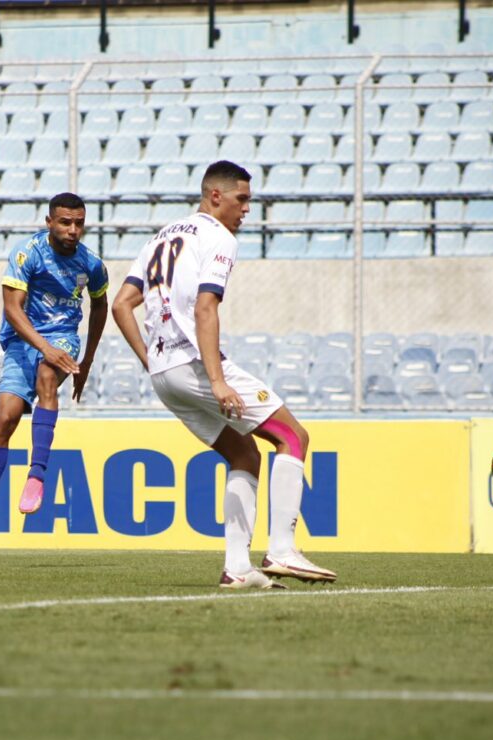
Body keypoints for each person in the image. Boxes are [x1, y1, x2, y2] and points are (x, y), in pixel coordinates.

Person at [110, 160, 337, 589]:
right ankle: (283, 549)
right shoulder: (218, 237)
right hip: (195, 367)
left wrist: (149, 359)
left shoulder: (161, 237)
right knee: (293, 437)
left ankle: (237, 568)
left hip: (164, 375)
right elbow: (205, 307)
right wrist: (217, 380)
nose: (246, 209)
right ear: (216, 196)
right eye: (242, 199)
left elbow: (122, 304)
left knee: (244, 455)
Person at [0, 192, 109, 552]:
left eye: (79, 223)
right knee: (5, 417)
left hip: (63, 337)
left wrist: (86, 360)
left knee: (48, 376)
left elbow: (101, 306)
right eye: (65, 222)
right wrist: (42, 346)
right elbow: (13, 308)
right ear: (49, 222)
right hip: (21, 340)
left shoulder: (91, 264)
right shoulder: (27, 253)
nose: (73, 230)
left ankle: (37, 474)